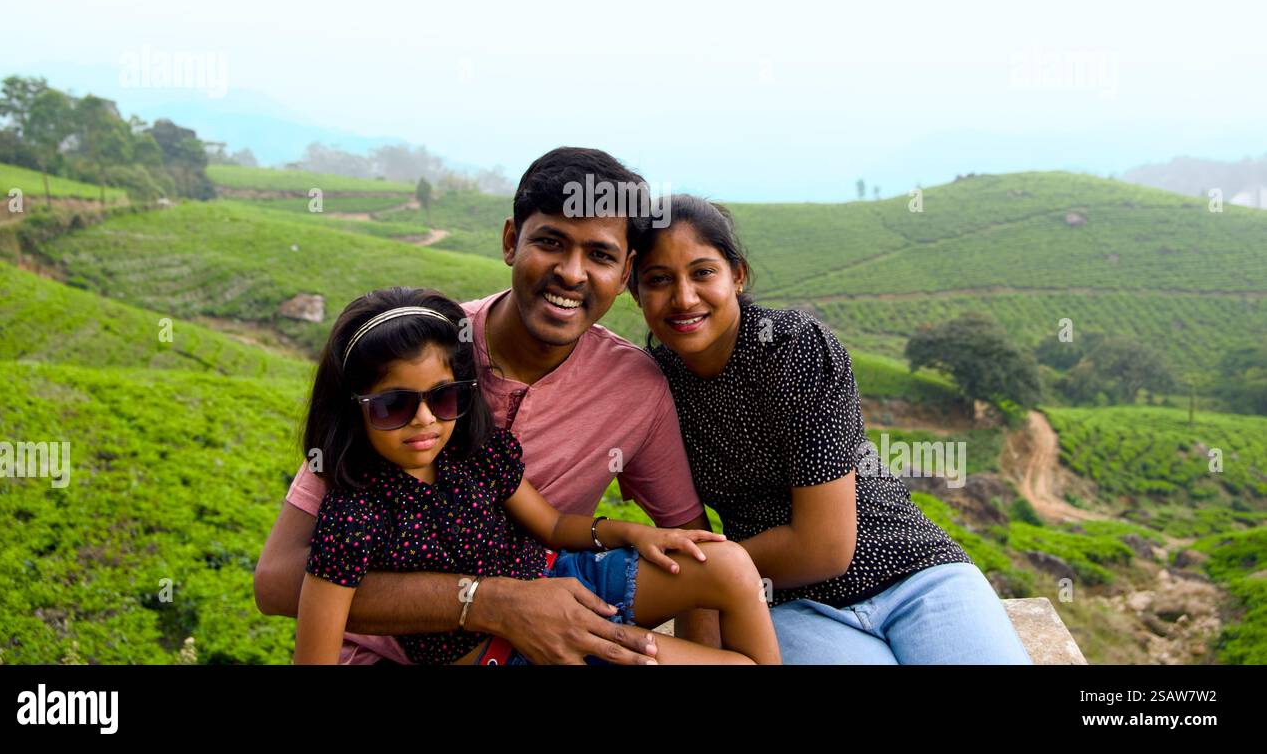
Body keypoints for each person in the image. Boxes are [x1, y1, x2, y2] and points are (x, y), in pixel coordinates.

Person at [255, 147, 721, 664]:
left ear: (626, 270)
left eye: (601, 255)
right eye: (550, 242)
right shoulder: (420, 352)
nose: (571, 273)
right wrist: (487, 602)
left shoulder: (636, 388)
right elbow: (276, 582)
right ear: (509, 241)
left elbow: (688, 548)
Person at [627, 194, 1033, 664]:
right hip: (787, 605)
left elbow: (824, 547)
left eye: (703, 272)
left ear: (737, 276)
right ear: (635, 292)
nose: (684, 297)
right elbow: (684, 530)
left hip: (911, 572)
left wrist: (712, 572)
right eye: (658, 280)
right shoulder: (652, 389)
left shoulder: (792, 348)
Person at [294, 285, 780, 665]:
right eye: (394, 405)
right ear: (353, 410)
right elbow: (316, 642)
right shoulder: (354, 516)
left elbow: (549, 525)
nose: (424, 420)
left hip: (560, 580)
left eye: (443, 398)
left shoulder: (474, 456)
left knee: (730, 565)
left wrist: (633, 533)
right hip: (495, 653)